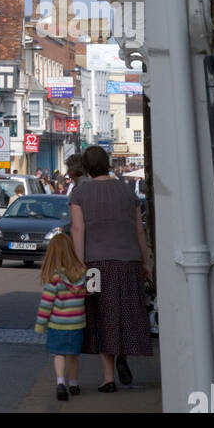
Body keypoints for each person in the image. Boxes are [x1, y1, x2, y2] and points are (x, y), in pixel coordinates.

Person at [69, 144, 153, 392]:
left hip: (95, 266)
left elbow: (77, 229)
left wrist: (79, 263)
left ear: (86, 167)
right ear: (107, 163)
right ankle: (123, 356)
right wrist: (145, 262)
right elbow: (139, 229)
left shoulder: (80, 194)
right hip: (128, 262)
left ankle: (108, 379)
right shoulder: (127, 192)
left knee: (100, 315)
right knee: (126, 311)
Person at [34, 231, 88, 400]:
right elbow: (88, 295)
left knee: (59, 354)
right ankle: (74, 383)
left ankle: (60, 382)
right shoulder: (82, 274)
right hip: (77, 324)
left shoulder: (54, 277)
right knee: (73, 356)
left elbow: (46, 303)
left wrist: (41, 324)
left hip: (58, 324)